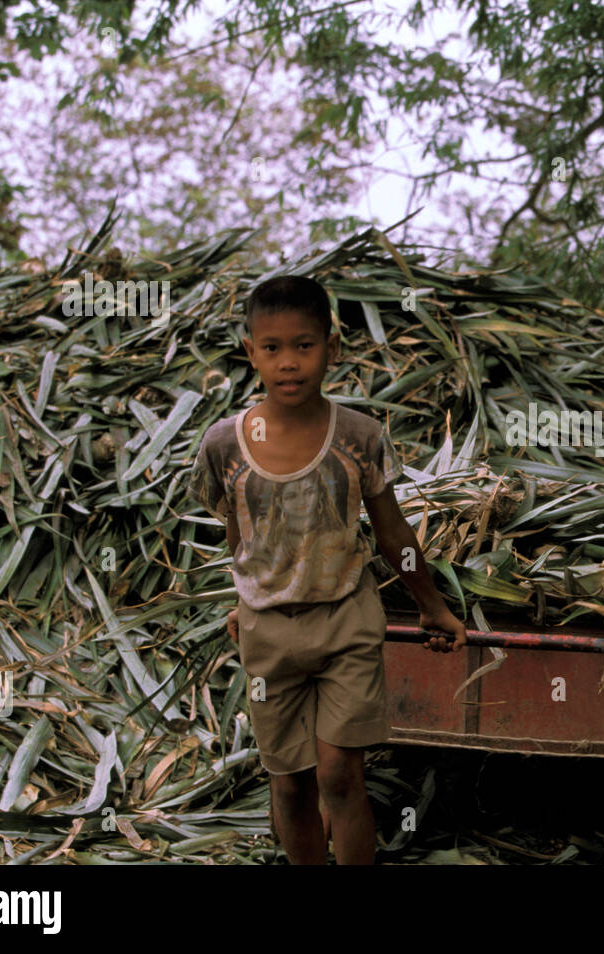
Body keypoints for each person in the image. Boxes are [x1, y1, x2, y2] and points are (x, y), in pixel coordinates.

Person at [188, 275, 466, 864]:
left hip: (346, 621)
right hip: (269, 633)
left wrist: (431, 602)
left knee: (340, 773)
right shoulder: (224, 446)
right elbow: (238, 533)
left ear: (332, 348)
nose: (288, 363)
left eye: (304, 345)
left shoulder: (359, 436)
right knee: (290, 783)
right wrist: (242, 602)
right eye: (272, 348)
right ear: (250, 352)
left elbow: (393, 532)